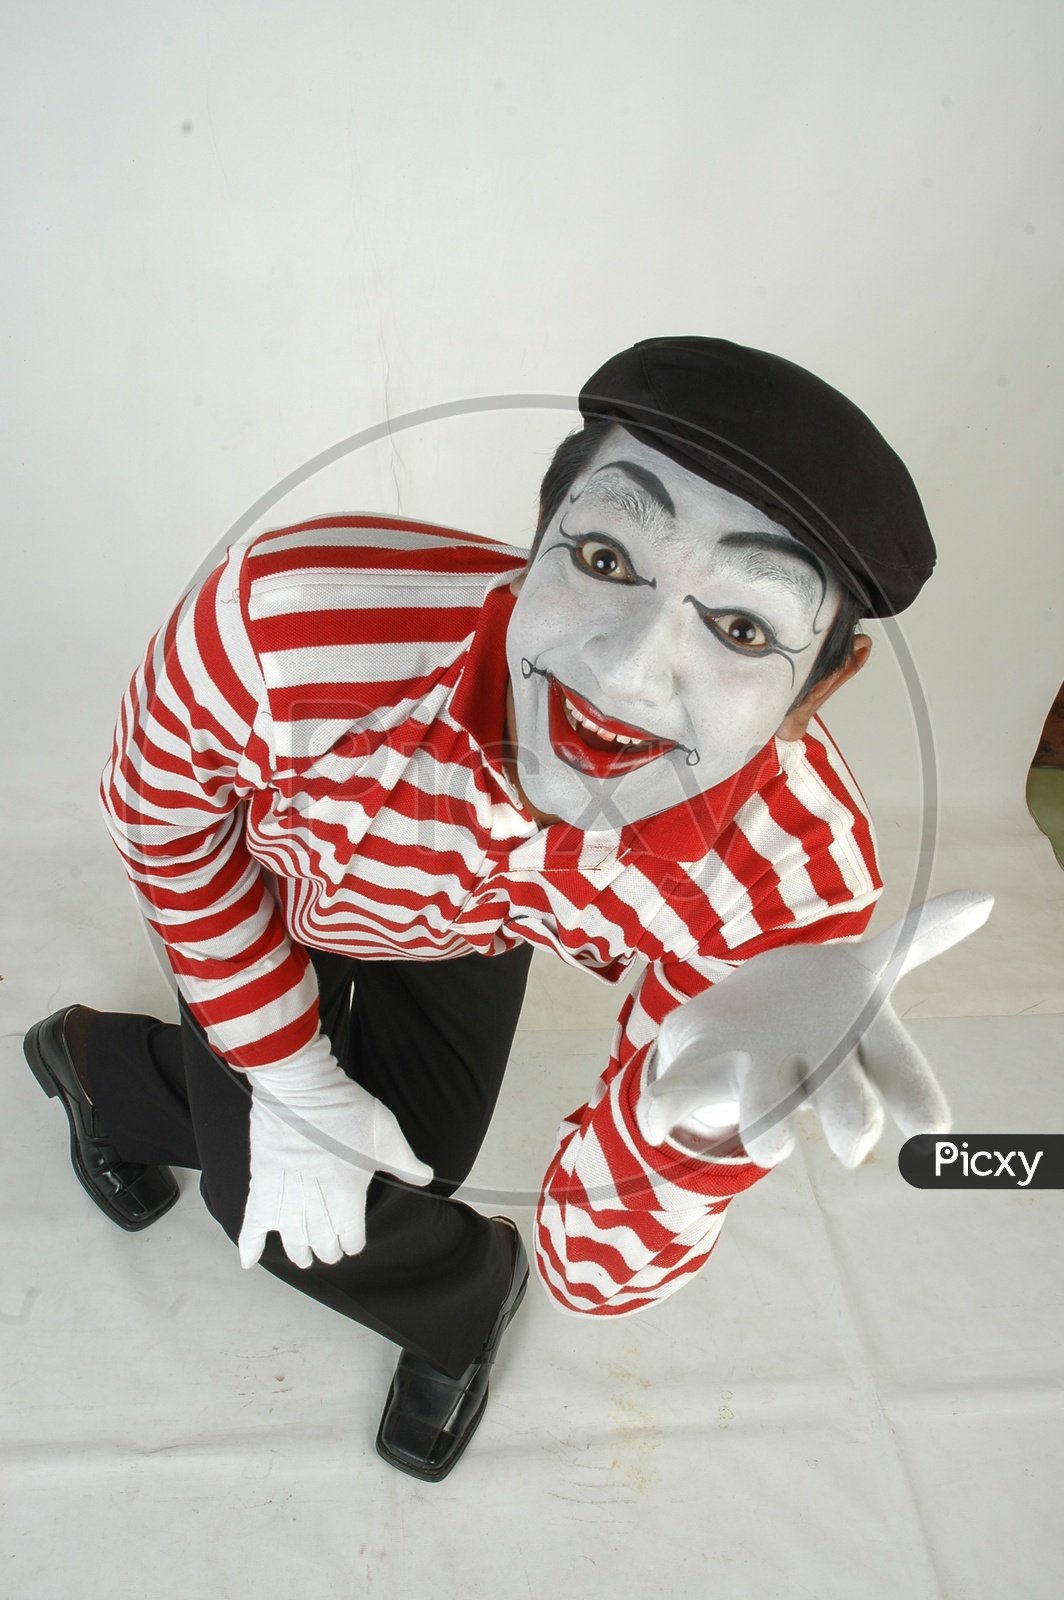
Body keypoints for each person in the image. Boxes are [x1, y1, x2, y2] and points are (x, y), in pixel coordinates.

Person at [24, 336, 946, 1482]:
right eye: (607, 555)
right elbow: (158, 816)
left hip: (469, 927)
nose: (624, 675)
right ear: (541, 529)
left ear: (820, 691)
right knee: (257, 1192)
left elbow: (596, 1268)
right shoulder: (284, 615)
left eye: (743, 627)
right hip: (275, 894)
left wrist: (685, 1129)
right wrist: (286, 1067)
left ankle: (95, 1067)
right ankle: (457, 1309)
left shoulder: (787, 898)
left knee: (427, 1157)